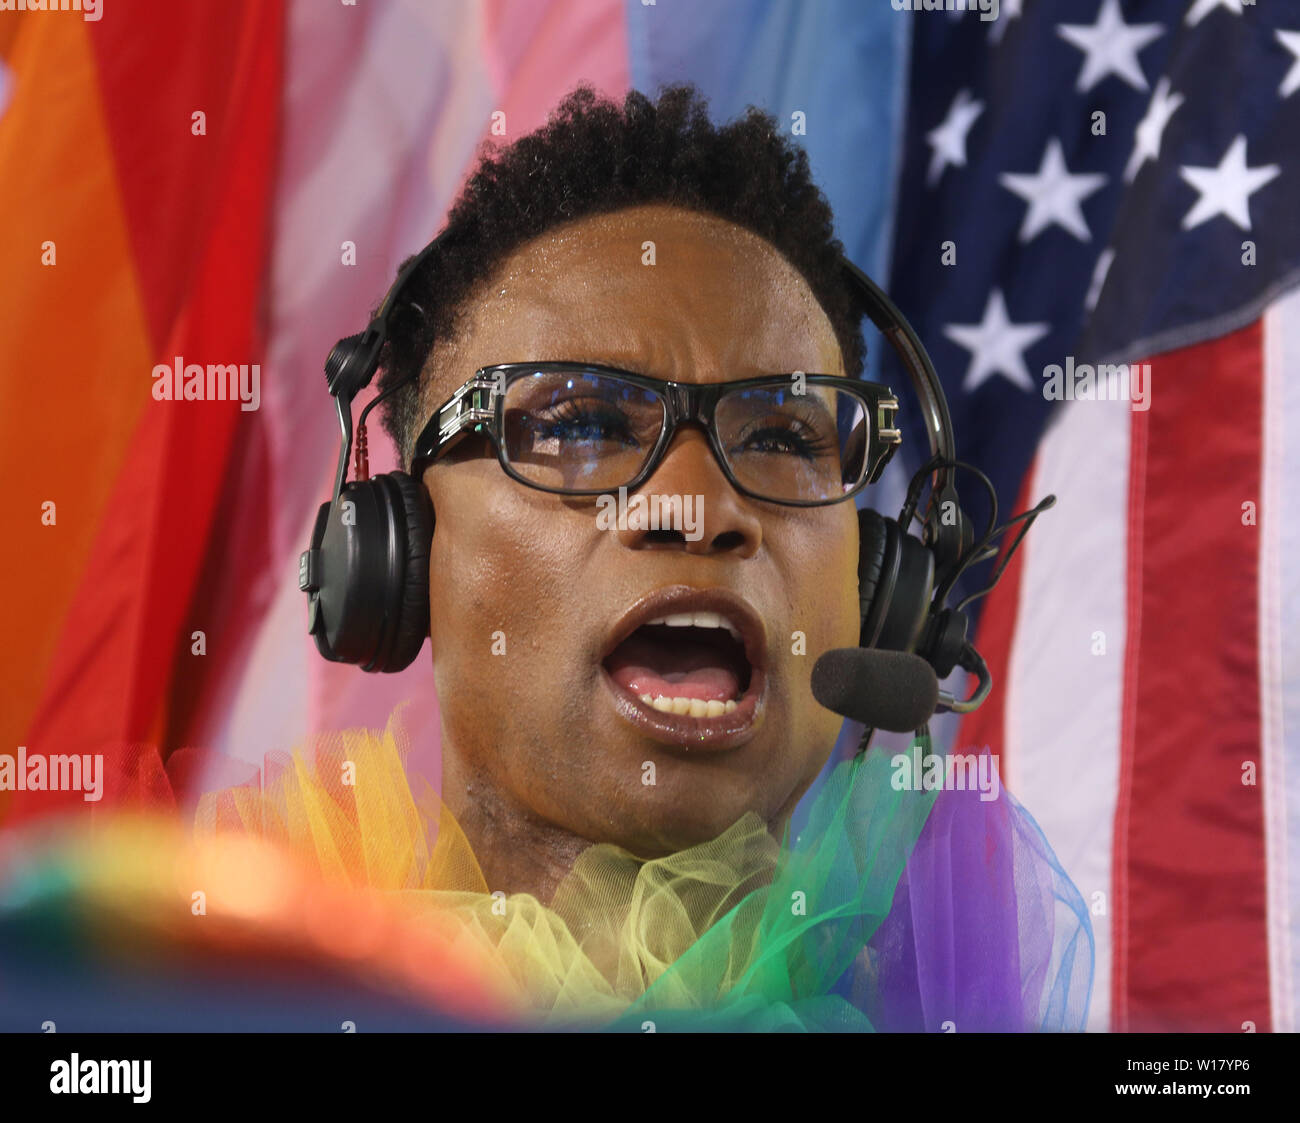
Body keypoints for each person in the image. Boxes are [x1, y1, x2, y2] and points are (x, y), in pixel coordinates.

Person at [0, 82, 1093, 1032]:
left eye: (781, 433)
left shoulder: (977, 997)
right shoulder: (193, 995)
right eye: (576, 426)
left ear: (878, 588)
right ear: (395, 552)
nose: (694, 507)